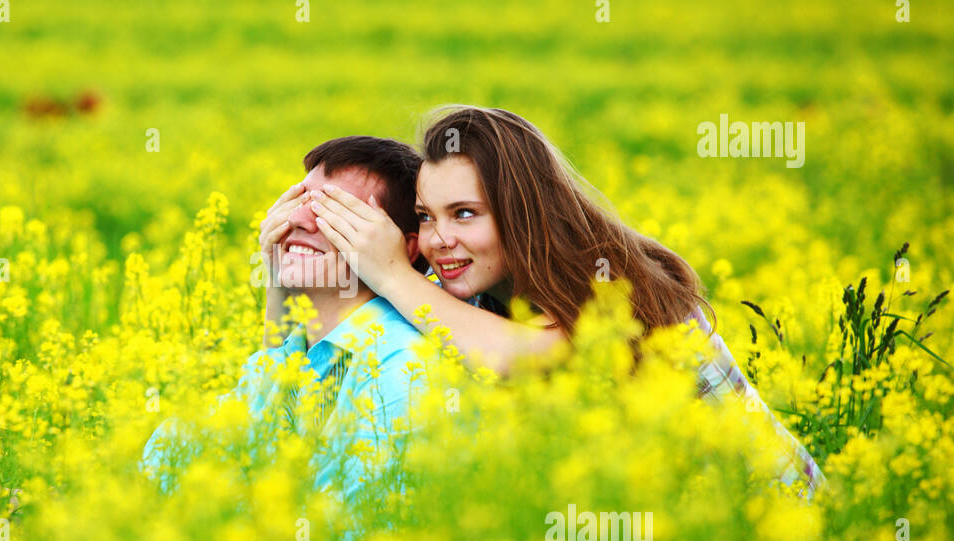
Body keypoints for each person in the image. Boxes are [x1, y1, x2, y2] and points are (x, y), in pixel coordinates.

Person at [305, 105, 824, 498]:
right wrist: (285, 278)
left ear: (520, 212)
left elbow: (515, 359)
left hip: (780, 524)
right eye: (424, 216)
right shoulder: (473, 303)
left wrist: (392, 271)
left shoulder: (612, 290)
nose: (439, 239)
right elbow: (325, 375)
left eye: (464, 213)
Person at [142, 135, 433, 508]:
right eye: (300, 200)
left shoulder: (402, 368)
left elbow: (358, 528)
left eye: (333, 210)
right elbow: (164, 458)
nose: (297, 219)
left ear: (403, 248)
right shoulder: (288, 355)